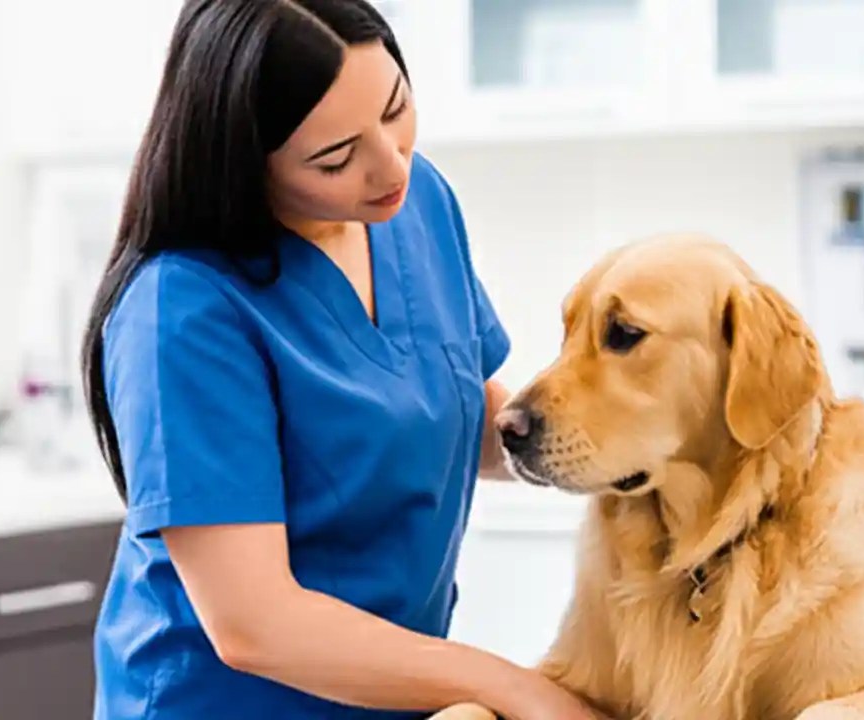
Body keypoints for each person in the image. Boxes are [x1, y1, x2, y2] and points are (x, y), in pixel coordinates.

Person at [80, 2, 601, 718]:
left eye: (395, 110)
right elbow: (254, 625)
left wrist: (619, 452)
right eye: (335, 157)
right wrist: (512, 686)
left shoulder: (416, 207)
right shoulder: (183, 309)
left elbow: (458, 414)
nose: (390, 164)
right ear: (241, 159)